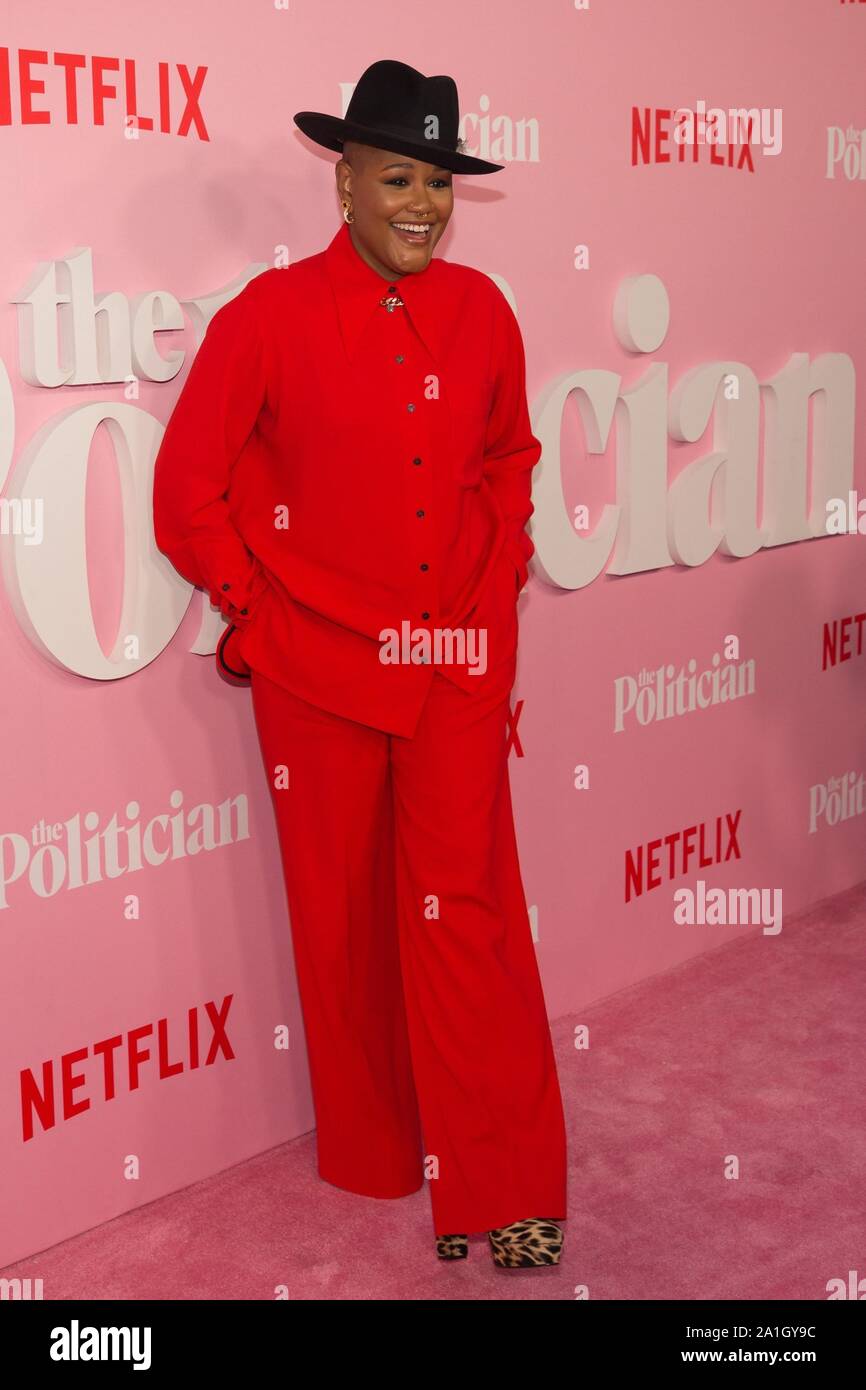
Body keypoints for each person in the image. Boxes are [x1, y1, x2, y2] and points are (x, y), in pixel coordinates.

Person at [152, 59, 567, 1269]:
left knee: (467, 920)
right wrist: (252, 612)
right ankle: (386, 1155)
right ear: (343, 183)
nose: (423, 204)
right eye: (399, 177)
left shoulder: (485, 313)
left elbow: (511, 460)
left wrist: (491, 604)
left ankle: (501, 1183)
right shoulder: (265, 319)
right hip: (315, 678)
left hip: (450, 673)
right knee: (342, 925)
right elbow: (189, 495)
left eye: (437, 180)